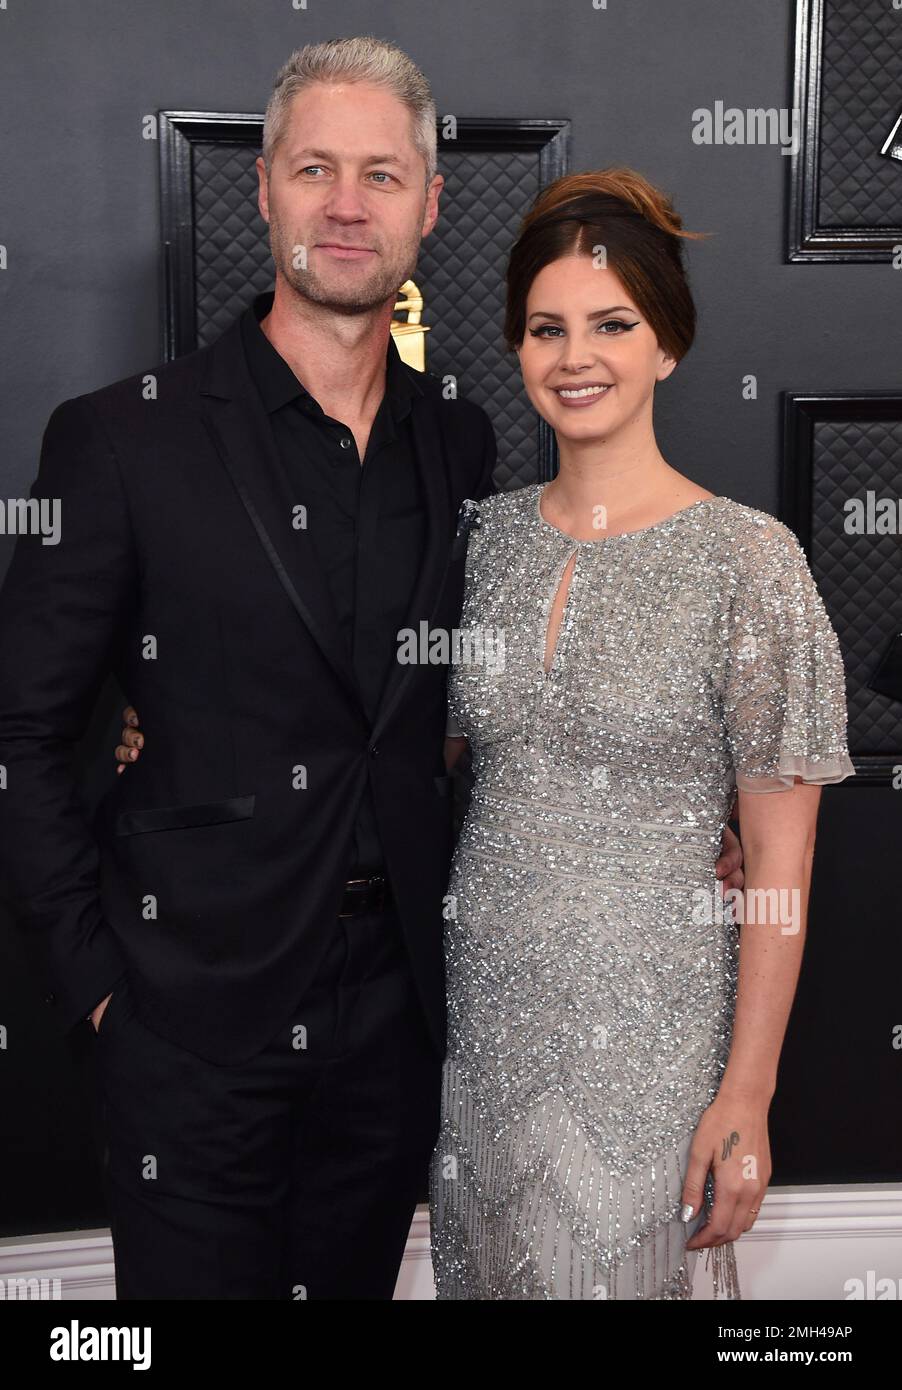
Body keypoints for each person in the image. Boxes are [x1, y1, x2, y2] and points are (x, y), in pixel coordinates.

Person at [1, 36, 741, 1300]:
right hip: (187, 1023)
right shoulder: (122, 438)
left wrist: (669, 816)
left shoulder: (455, 444)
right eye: (316, 170)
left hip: (396, 1021)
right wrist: (102, 1001)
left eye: (383, 176)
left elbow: (458, 709)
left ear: (430, 204)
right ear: (264, 190)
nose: (348, 205)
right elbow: (19, 735)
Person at [422, 168, 856, 1299]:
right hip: (482, 1024)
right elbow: (393, 747)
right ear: (516, 349)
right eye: (545, 327)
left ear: (666, 341)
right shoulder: (479, 542)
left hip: (653, 1037)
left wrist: (746, 1091)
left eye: (611, 324)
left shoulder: (747, 564)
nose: (576, 356)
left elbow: (778, 865)